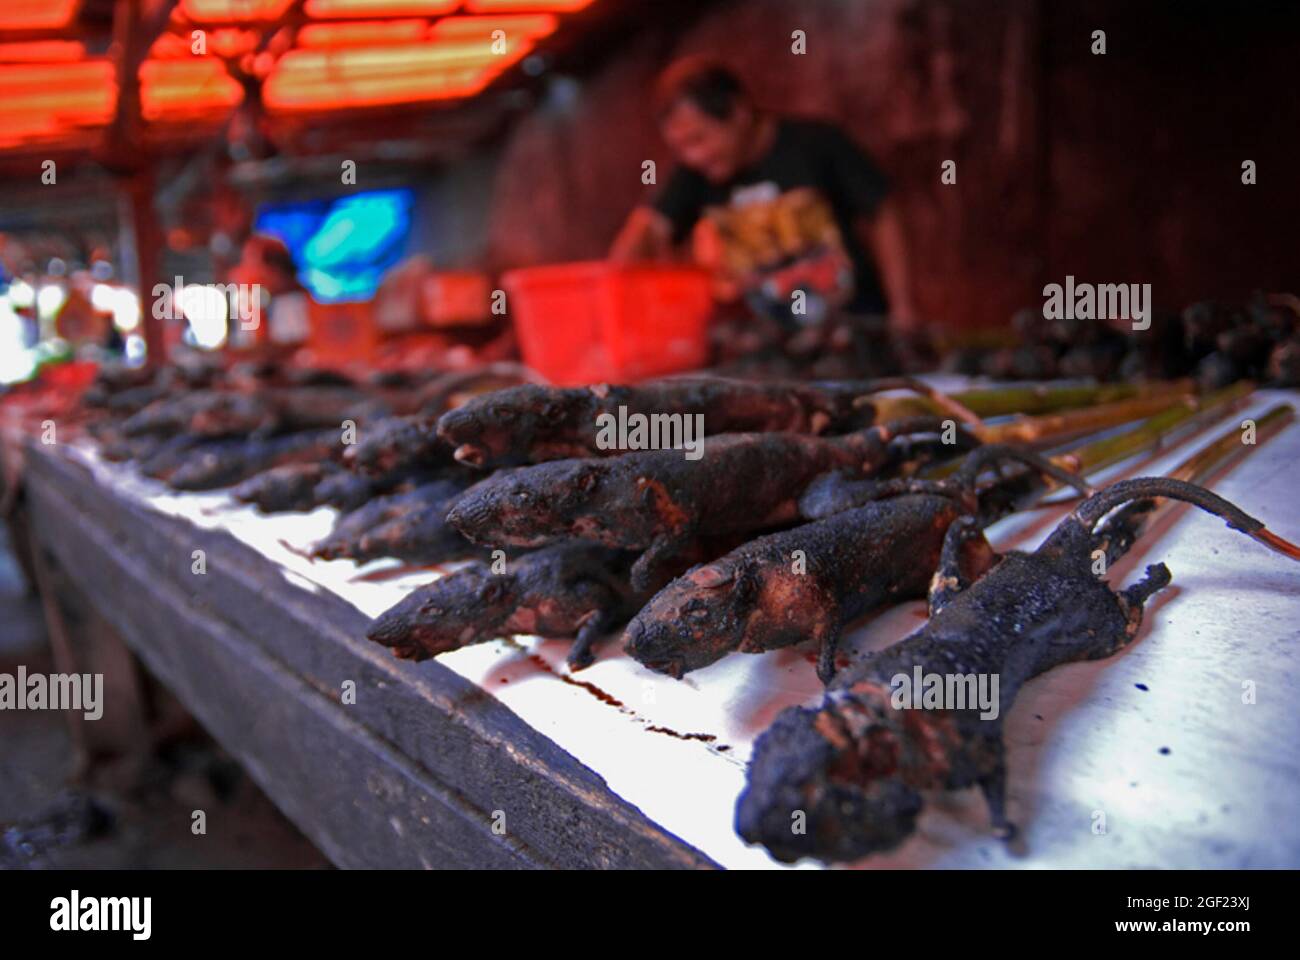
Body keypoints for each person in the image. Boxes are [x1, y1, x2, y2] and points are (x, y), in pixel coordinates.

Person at [610, 57, 916, 334]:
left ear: (738, 113)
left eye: (699, 139)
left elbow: (883, 212)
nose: (694, 157)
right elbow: (646, 234)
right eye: (680, 148)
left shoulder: (816, 144)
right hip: (770, 346)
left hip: (854, 327)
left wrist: (903, 310)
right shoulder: (694, 175)